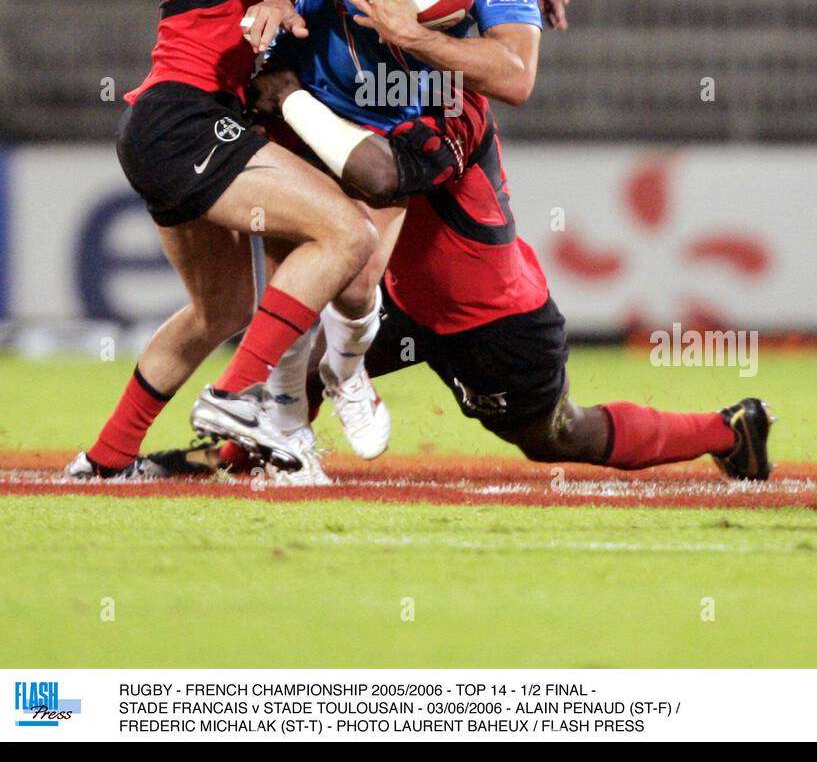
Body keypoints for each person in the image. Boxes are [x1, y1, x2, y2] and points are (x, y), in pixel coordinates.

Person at [67, 0, 503, 482]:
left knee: (219, 308)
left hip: (170, 123)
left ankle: (104, 459)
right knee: (345, 231)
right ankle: (239, 398)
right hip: (187, 119)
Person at [171, 64, 775, 485]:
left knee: (557, 437)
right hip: (407, 303)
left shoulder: (452, 107)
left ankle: (728, 432)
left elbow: (375, 174)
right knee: (299, 355)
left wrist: (293, 99)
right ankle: (235, 458)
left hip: (493, 320)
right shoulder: (378, 84)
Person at [186, 0, 558, 475]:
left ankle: (345, 372)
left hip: (390, 118)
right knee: (298, 261)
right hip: (308, 90)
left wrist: (415, 38)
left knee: (357, 288)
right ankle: (283, 429)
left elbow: (513, 74)